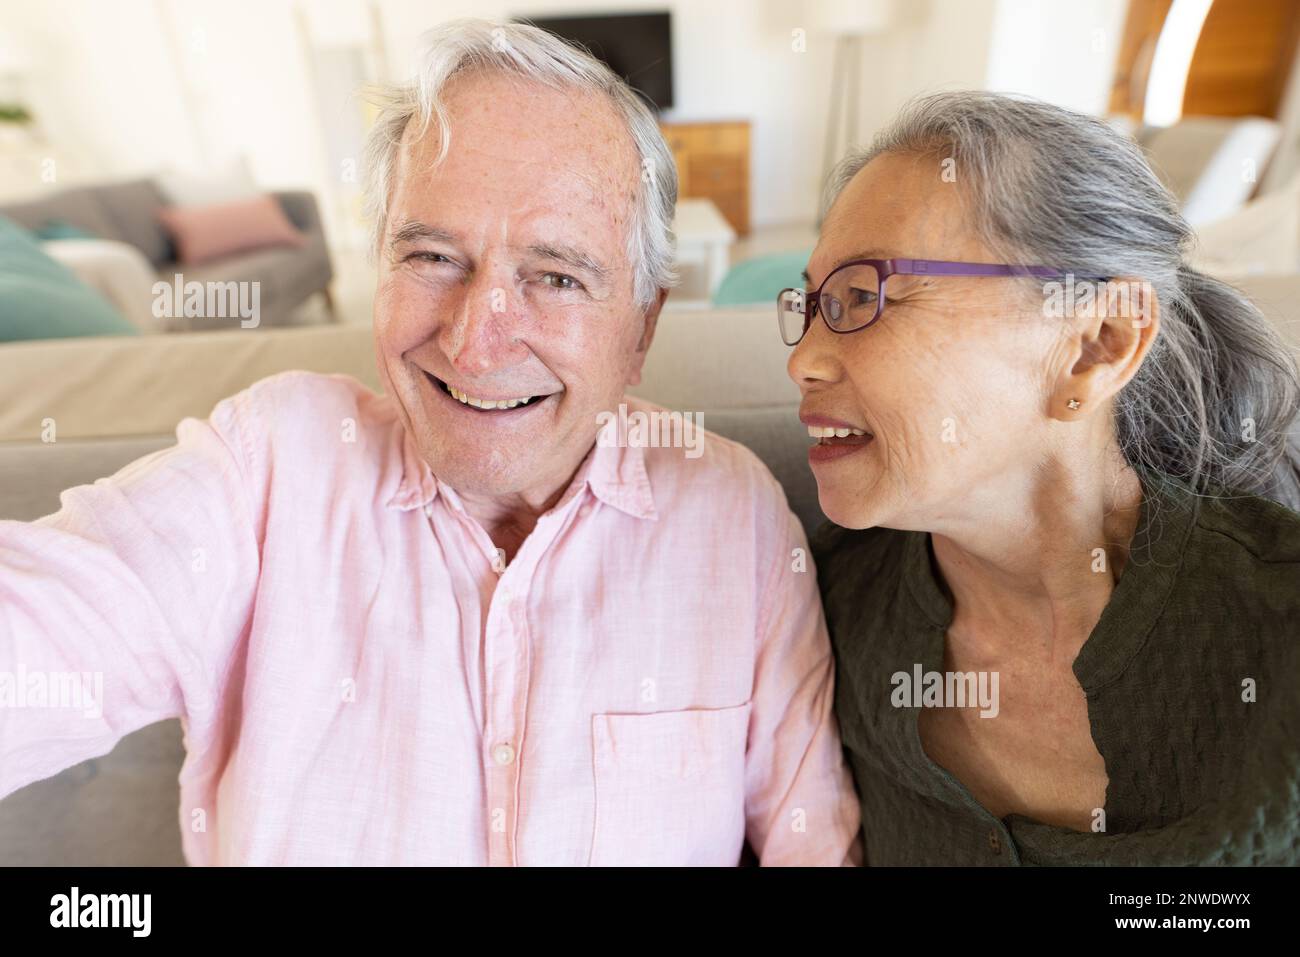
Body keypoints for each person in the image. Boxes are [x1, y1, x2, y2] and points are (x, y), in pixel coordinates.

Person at [0, 19, 861, 866]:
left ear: (642, 327)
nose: (475, 342)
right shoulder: (269, 471)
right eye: (433, 257)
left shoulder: (733, 516)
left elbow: (814, 844)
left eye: (556, 276)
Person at [783, 91, 1300, 865]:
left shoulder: (1277, 628)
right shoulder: (824, 610)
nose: (802, 360)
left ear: (1098, 343)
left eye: (864, 296)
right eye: (814, 304)